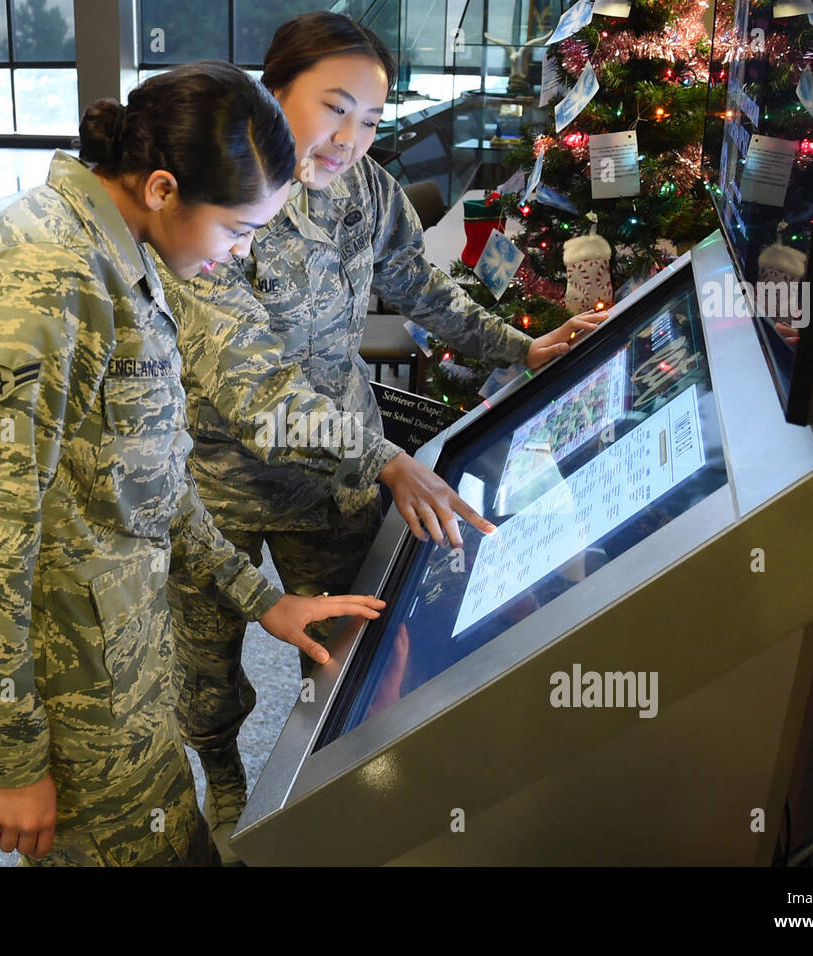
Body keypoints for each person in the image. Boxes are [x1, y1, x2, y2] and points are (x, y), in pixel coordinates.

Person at [0, 61, 384, 868]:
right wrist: (13, 764)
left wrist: (261, 599)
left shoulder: (124, 255)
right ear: (163, 187)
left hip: (130, 664)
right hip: (72, 701)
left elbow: (152, 477)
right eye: (238, 230)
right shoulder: (39, 284)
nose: (239, 255)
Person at [158, 12, 608, 862]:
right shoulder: (221, 194)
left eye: (370, 118)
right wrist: (387, 458)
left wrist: (519, 346)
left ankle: (326, 797)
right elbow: (257, 392)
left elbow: (420, 287)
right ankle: (222, 777)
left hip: (333, 482)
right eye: (333, 108)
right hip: (214, 477)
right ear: (272, 91)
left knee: (346, 655)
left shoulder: (365, 191)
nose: (350, 138)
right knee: (202, 666)